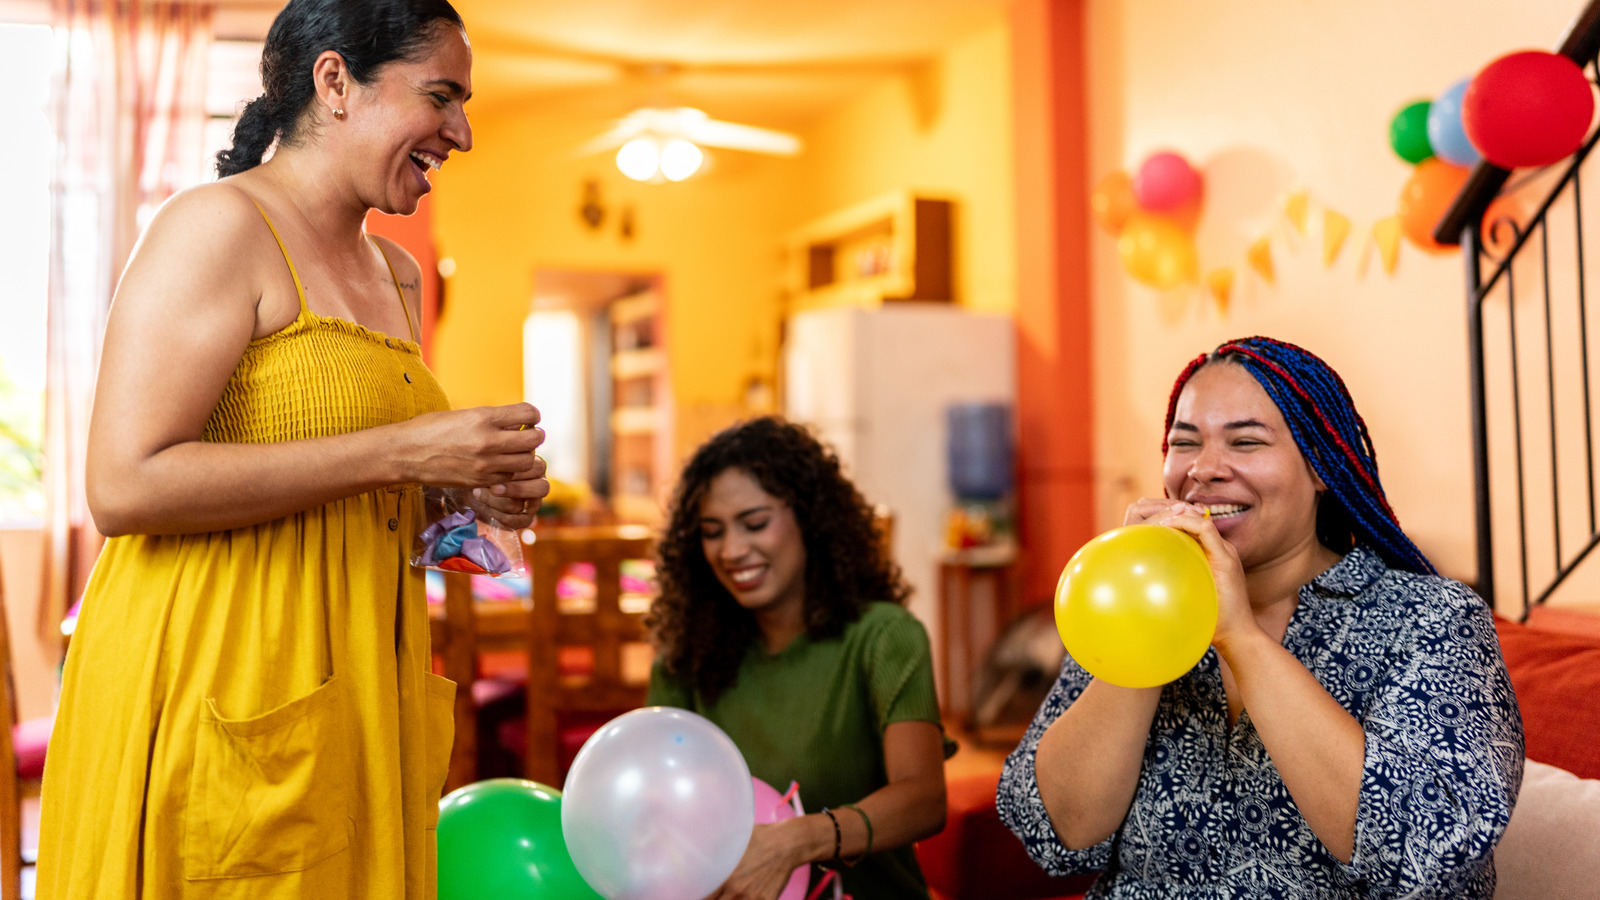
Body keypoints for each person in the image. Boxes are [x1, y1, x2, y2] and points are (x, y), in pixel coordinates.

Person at [35, 2, 548, 897]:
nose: (461, 132)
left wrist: (467, 498)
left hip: (354, 677)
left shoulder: (399, 275)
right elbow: (123, 483)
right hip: (217, 671)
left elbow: (374, 487)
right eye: (441, 96)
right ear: (336, 81)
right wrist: (406, 449)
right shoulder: (217, 227)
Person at [997, 336, 1523, 899]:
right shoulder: (1135, 612)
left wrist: (1239, 635)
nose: (1203, 470)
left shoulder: (1432, 620)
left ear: (1322, 467)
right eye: (1183, 443)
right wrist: (1145, 629)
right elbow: (1058, 834)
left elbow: (1420, 849)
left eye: (1246, 441)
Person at [646, 417, 950, 900]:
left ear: (810, 517)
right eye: (711, 531)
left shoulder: (885, 638)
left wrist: (796, 840)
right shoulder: (685, 658)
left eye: (755, 523)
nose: (732, 550)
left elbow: (925, 800)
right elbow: (659, 815)